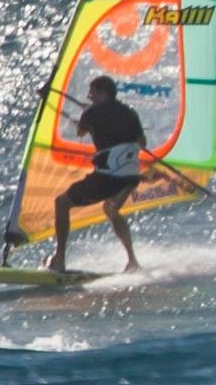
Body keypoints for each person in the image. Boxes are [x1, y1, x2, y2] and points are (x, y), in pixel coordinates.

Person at [49, 65, 153, 270]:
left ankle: (59, 261)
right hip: (130, 177)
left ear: (103, 93)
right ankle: (132, 261)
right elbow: (142, 143)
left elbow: (80, 132)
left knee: (62, 203)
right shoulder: (130, 112)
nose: (90, 95)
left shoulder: (92, 112)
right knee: (111, 209)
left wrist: (86, 114)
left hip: (108, 178)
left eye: (92, 92)